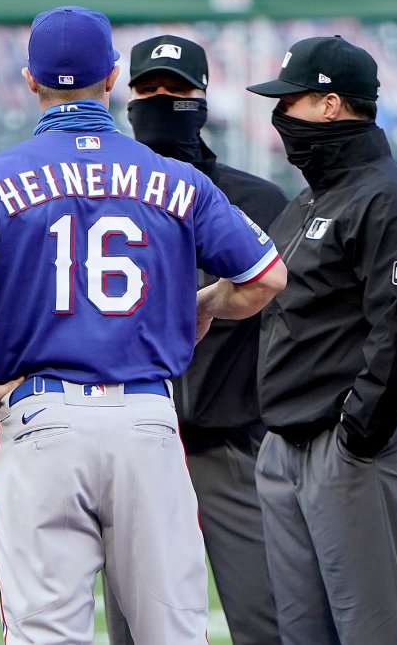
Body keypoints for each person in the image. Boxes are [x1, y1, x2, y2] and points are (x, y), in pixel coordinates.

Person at [0, 6, 286, 645]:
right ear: (112, 77)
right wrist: (198, 307)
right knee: (170, 630)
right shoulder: (178, 179)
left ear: (31, 81)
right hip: (147, 417)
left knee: (46, 635)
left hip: (42, 419)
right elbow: (266, 278)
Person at [246, 35, 397, 644]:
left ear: (330, 105)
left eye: (292, 102)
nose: (281, 116)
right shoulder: (310, 200)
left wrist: (358, 433)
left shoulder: (394, 201)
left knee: (376, 630)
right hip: (289, 439)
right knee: (305, 634)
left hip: (348, 441)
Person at [100, 34, 282, 645]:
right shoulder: (97, 191)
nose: (160, 99)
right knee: (139, 629)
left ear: (202, 99)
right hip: (134, 437)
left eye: (176, 89)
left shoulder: (256, 198)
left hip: (233, 441)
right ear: (126, 97)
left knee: (268, 620)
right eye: (147, 88)